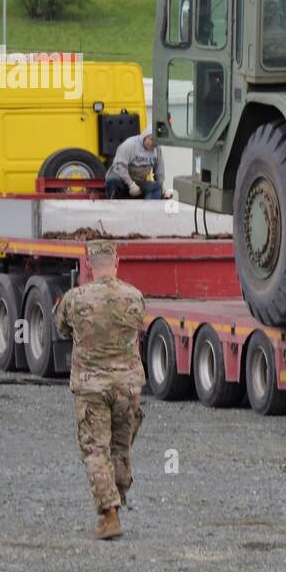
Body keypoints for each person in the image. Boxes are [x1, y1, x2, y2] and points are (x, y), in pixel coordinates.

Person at [54, 241, 147, 540]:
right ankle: (117, 502)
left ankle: (109, 513)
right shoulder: (134, 296)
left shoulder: (76, 299)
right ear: (116, 262)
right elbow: (136, 328)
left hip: (92, 386)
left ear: (89, 264)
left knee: (95, 449)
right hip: (127, 386)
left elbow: (62, 330)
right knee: (122, 448)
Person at [105, 131, 176, 200]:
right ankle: (113, 207)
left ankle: (146, 210)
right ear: (145, 137)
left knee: (156, 187)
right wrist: (131, 184)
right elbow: (119, 167)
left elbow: (159, 171)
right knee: (113, 182)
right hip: (121, 179)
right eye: (151, 139)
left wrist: (162, 189)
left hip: (138, 182)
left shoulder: (157, 150)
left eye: (156, 142)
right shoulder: (129, 145)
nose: (153, 144)